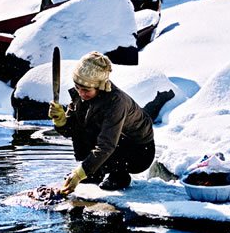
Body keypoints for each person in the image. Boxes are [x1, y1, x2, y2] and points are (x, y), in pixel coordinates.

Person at [48, 51, 155, 194]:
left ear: (99, 86)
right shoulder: (82, 97)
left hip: (138, 151)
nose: (80, 93)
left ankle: (119, 175)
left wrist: (80, 173)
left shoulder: (117, 102)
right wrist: (60, 120)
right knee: (83, 127)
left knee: (104, 136)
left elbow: (106, 144)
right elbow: (73, 131)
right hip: (115, 142)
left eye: (86, 89)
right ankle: (95, 172)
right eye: (77, 87)